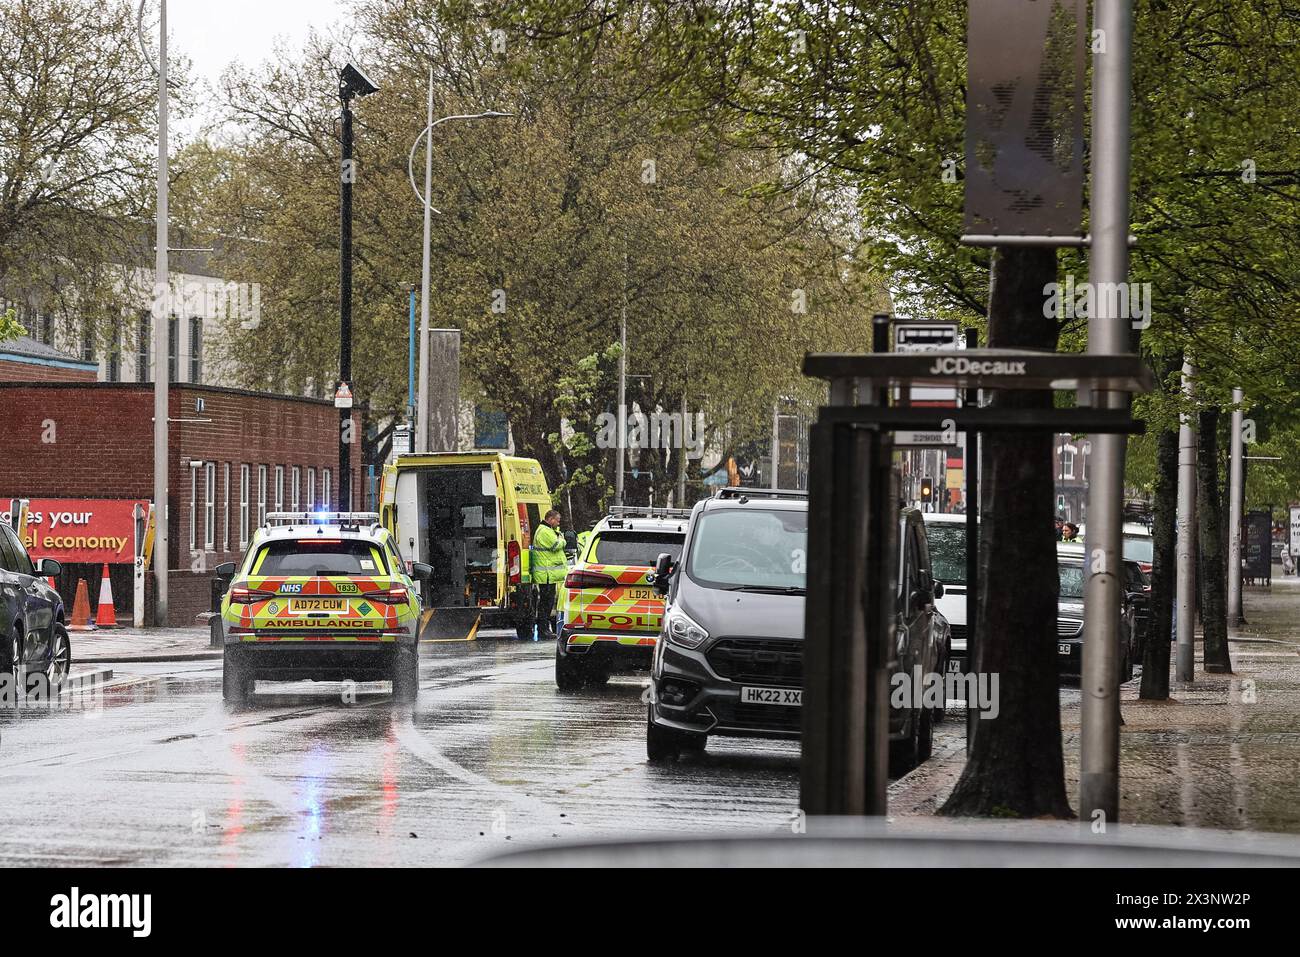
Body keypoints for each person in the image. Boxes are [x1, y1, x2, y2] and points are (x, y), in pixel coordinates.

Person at [531, 509, 568, 640]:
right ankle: (543, 630)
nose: (558, 523)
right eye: (557, 520)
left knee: (547, 603)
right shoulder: (544, 531)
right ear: (551, 519)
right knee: (546, 604)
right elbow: (556, 545)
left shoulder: (546, 530)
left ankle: (544, 629)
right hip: (545, 574)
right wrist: (563, 540)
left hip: (548, 574)